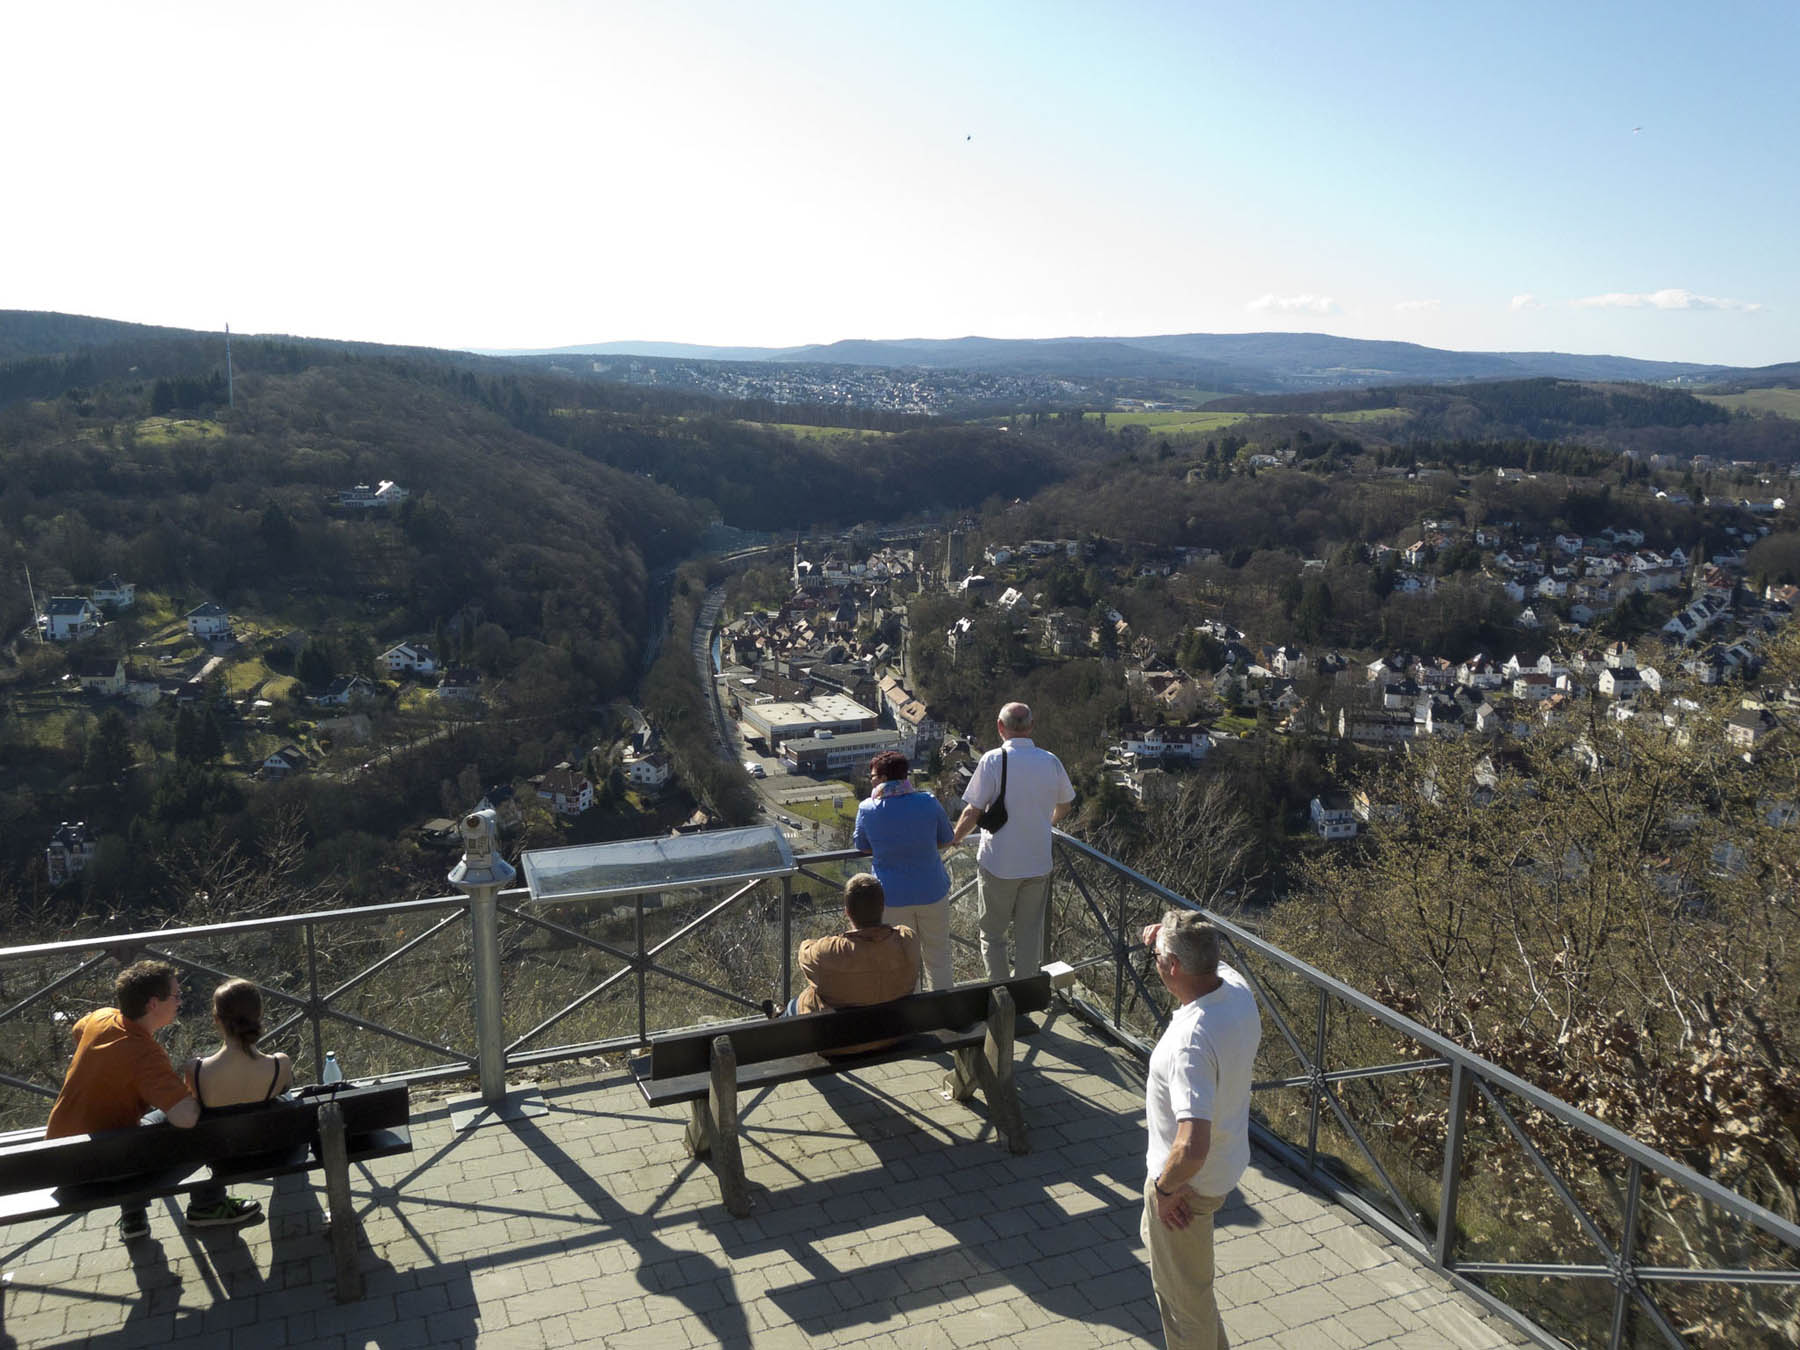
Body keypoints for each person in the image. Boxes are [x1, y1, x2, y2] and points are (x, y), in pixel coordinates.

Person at [45, 961, 262, 1241]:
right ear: (152, 1004)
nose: (180, 1001)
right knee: (204, 1113)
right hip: (99, 1170)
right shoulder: (145, 1057)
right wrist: (196, 1087)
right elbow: (186, 1117)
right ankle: (207, 1206)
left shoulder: (101, 1018)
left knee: (129, 1128)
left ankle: (133, 1215)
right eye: (175, 996)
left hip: (57, 1158)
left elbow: (78, 1030)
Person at [1139, 912, 1261, 1350]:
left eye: (1156, 957)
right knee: (1188, 1289)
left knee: (1184, 1305)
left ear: (1172, 967)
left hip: (1187, 1187)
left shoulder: (1192, 1041)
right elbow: (1205, 955)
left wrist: (1164, 1188)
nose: (1152, 962)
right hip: (1224, 1164)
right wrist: (1165, 934)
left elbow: (1192, 1145)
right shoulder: (1236, 993)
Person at [950, 702, 1075, 981]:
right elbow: (1065, 805)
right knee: (1029, 933)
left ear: (1000, 727)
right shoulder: (1050, 760)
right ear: (1031, 727)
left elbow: (973, 810)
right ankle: (1024, 996)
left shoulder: (993, 760)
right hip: (1038, 861)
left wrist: (954, 839)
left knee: (993, 934)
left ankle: (1001, 996)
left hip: (1000, 863)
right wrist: (1046, 823)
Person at [853, 751, 956, 990]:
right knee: (938, 953)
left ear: (883, 777)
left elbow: (862, 846)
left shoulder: (868, 809)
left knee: (900, 959)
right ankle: (948, 1011)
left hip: (891, 897)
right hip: (932, 890)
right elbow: (946, 838)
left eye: (873, 776)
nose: (871, 780)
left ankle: (911, 1015)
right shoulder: (928, 801)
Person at [792, 874, 920, 1054]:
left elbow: (803, 952)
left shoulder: (828, 952)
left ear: (848, 912)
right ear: (882, 907)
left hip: (839, 1045)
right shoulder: (907, 940)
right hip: (898, 1036)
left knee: (801, 1001)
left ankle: (779, 1014)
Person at [184, 979, 294, 1117]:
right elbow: (286, 1089)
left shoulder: (195, 1070)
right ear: (259, 1014)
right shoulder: (280, 1065)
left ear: (216, 1018)